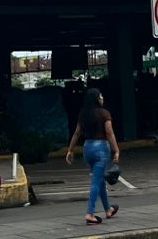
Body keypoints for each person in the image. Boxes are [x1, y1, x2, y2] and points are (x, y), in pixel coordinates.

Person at [64, 87, 120, 224]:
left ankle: (108, 209)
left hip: (87, 148)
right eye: (100, 96)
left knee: (100, 180)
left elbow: (77, 133)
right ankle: (90, 213)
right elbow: (110, 133)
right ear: (96, 98)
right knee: (96, 181)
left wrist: (70, 150)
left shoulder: (84, 114)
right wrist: (116, 150)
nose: (102, 98)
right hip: (101, 148)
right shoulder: (104, 114)